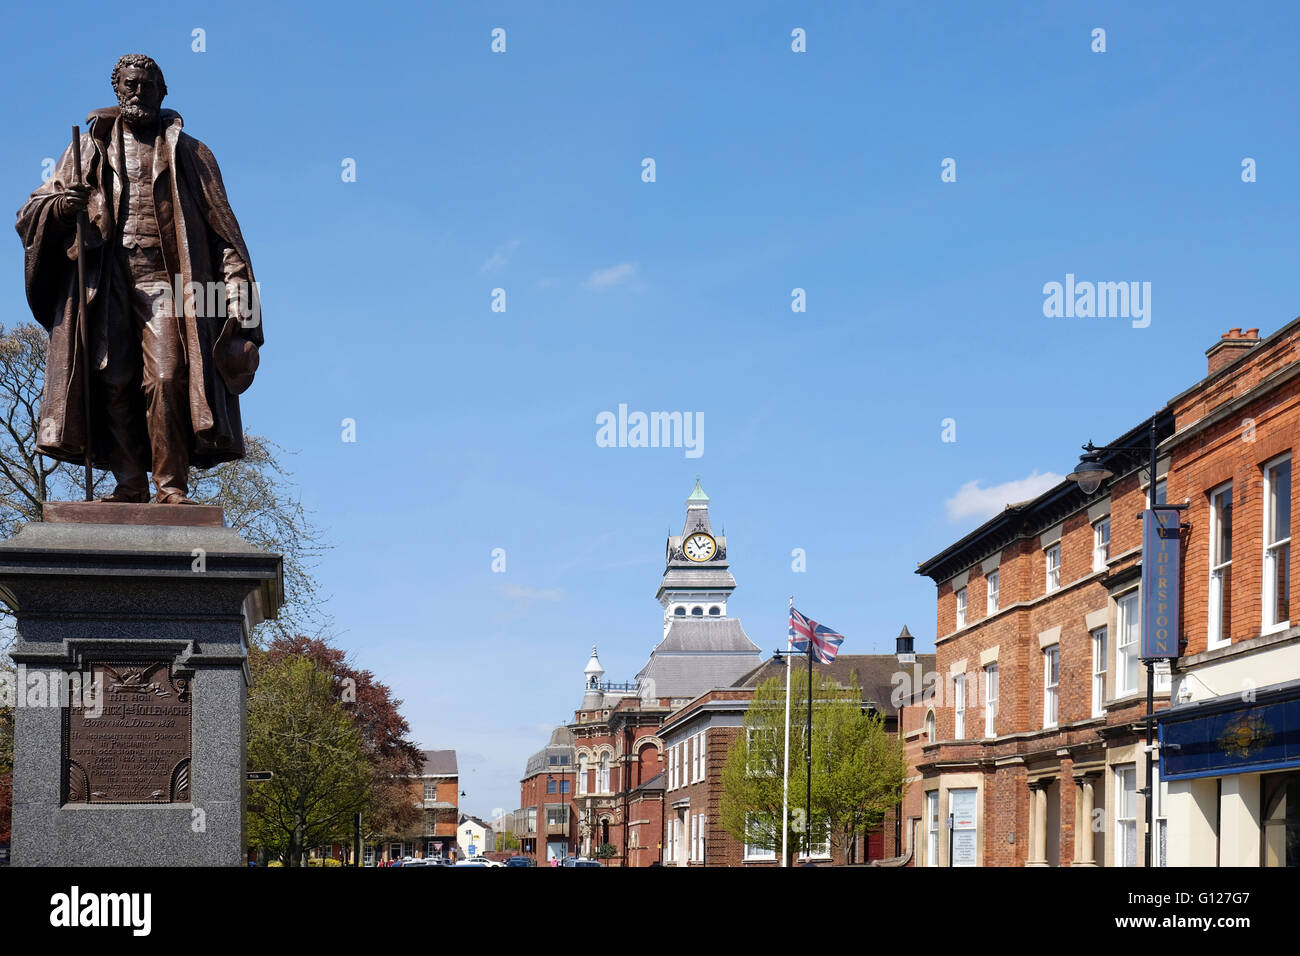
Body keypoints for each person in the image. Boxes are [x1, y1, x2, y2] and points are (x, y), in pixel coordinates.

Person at [16, 54, 262, 504]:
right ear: (117, 90)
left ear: (163, 91)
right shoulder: (89, 149)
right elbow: (30, 211)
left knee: (167, 377)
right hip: (106, 279)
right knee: (113, 380)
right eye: (129, 85)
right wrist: (62, 207)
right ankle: (129, 483)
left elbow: (227, 237)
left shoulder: (191, 153)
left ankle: (170, 487)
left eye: (147, 86)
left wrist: (239, 309)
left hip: (169, 286)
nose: (138, 93)